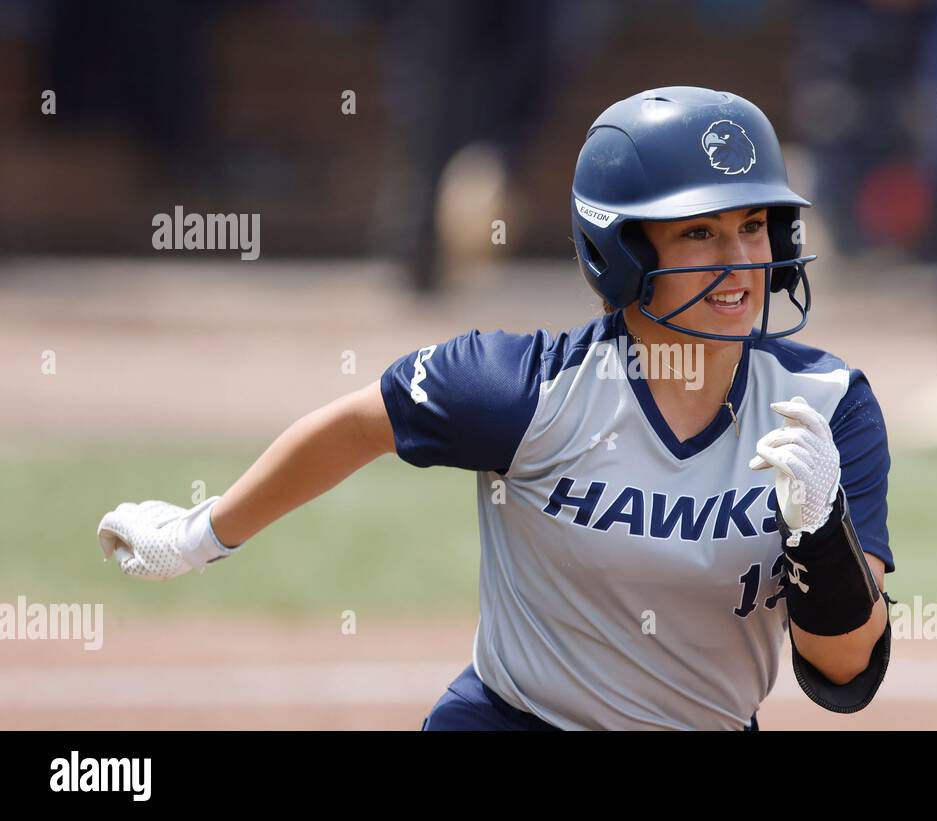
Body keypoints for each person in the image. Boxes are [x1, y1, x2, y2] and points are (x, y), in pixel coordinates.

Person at [95, 87, 894, 730]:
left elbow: (847, 667)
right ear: (621, 252)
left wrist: (822, 535)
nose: (740, 263)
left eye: (754, 225)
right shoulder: (528, 390)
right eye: (699, 233)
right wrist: (200, 535)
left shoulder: (826, 408)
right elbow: (356, 425)